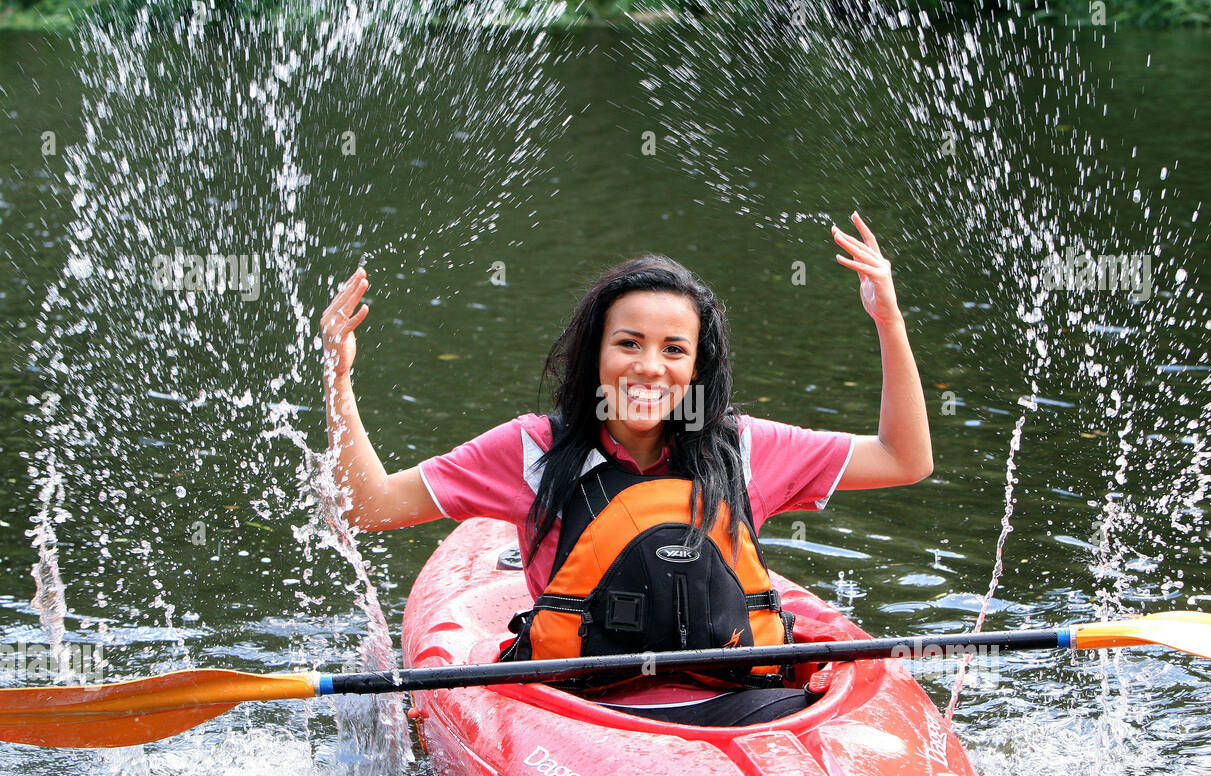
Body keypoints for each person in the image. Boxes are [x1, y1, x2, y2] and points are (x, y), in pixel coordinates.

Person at [320, 212, 932, 726]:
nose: (649, 367)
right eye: (629, 343)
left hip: (746, 709)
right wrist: (339, 380)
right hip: (578, 714)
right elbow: (368, 507)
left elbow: (905, 459)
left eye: (674, 350)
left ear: (697, 368)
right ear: (597, 355)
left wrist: (889, 320)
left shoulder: (743, 449)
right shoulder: (533, 451)